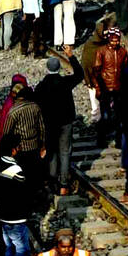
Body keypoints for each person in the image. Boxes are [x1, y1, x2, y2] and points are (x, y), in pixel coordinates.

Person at [36, 47, 84, 196]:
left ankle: (52, 183)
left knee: (52, 151)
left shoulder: (41, 86)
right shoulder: (65, 82)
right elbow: (80, 74)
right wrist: (71, 55)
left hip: (49, 123)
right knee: (65, 152)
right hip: (66, 121)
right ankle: (64, 185)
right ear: (59, 68)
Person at [0, 133, 34, 256]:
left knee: (9, 250)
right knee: (22, 253)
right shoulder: (17, 171)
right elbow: (25, 194)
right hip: (17, 217)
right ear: (14, 150)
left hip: (2, 216)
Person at [91, 27, 128, 148]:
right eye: (113, 40)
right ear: (108, 39)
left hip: (119, 88)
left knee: (119, 116)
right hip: (105, 87)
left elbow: (125, 69)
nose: (115, 42)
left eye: (117, 40)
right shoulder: (101, 51)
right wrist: (98, 88)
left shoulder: (123, 52)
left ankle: (118, 141)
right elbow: (96, 71)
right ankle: (101, 140)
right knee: (105, 116)